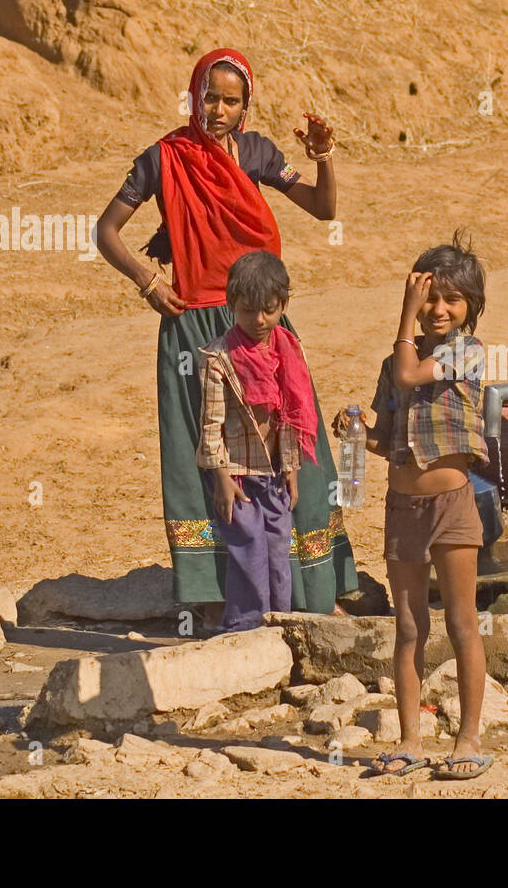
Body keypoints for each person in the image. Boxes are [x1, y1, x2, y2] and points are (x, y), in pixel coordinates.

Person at [95, 48, 357, 625]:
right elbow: (106, 230)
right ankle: (218, 603)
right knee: (207, 460)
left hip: (264, 326)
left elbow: (322, 207)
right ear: (194, 96)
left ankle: (315, 593)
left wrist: (324, 157)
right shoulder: (164, 158)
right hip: (194, 328)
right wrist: (147, 281)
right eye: (208, 97)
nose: (217, 109)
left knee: (298, 447)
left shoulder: (258, 152)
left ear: (245, 107)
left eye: (230, 100)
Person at [333, 238, 492, 780]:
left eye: (450, 300)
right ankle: (409, 741)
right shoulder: (392, 362)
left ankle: (468, 736)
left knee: (462, 623)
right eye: (428, 299)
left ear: (470, 305)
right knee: (407, 626)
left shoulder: (466, 352)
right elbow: (386, 438)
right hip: (402, 506)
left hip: (452, 505)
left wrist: (404, 316)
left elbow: (410, 375)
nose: (438, 310)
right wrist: (358, 428)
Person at [196, 252, 317, 632]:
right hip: (239, 477)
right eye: (248, 311)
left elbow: (290, 418)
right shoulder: (219, 360)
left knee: (279, 555)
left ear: (283, 305)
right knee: (248, 553)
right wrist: (221, 479)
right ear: (231, 306)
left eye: (268, 310)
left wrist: (292, 468)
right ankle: (246, 632)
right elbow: (211, 426)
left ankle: (280, 629)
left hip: (276, 473)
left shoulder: (288, 350)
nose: (259, 321)